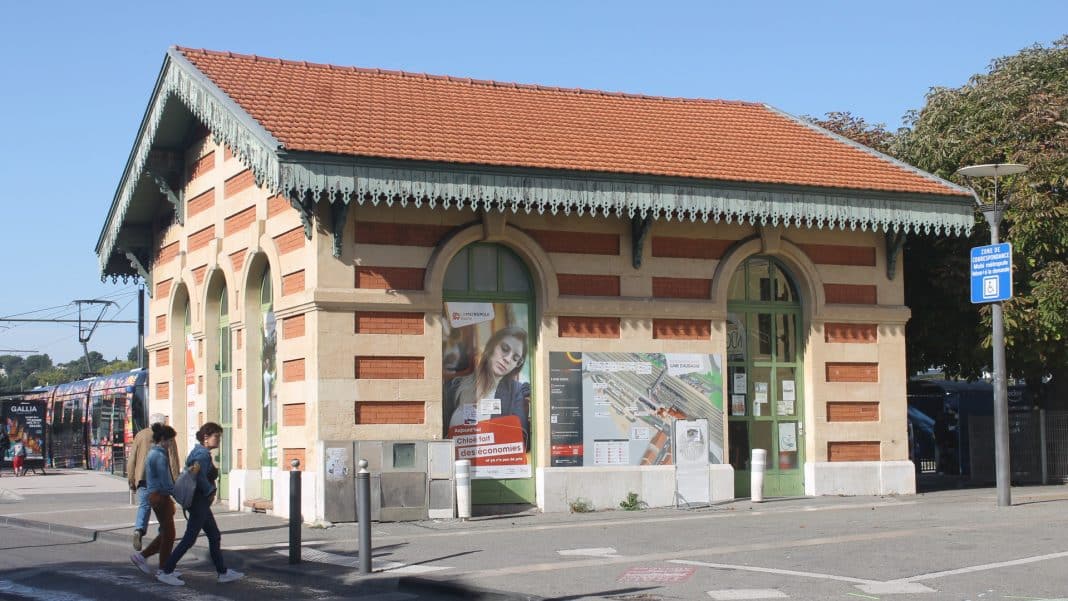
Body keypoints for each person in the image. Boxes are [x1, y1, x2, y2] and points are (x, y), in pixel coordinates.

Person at [157, 422, 243, 586]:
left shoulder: (198, 451)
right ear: (206, 437)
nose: (218, 440)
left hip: (197, 502)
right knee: (190, 539)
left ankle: (222, 572)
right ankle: (166, 570)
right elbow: (199, 476)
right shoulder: (203, 455)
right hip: (199, 502)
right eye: (216, 436)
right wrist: (210, 490)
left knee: (214, 535)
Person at [444, 326, 531, 449]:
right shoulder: (453, 387)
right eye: (505, 349)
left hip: (492, 465)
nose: (507, 359)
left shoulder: (517, 392)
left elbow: (520, 442)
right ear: (492, 346)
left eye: (515, 358)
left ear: (517, 365)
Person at [130, 423, 179, 577]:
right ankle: (163, 568)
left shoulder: (153, 453)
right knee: (169, 534)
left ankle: (144, 558)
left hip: (156, 495)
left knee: (166, 532)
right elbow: (165, 482)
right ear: (163, 439)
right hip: (160, 496)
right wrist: (178, 493)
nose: (170, 444)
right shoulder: (159, 456)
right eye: (170, 441)